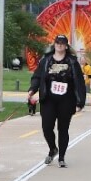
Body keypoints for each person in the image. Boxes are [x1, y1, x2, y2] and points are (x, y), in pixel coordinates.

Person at [27, 34, 86, 167]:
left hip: (66, 100)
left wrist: (80, 102)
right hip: (48, 99)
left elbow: (79, 82)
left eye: (62, 43)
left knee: (63, 129)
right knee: (47, 127)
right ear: (54, 44)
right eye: (57, 42)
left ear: (66, 45)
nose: (59, 45)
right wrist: (32, 90)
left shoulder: (72, 61)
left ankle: (61, 157)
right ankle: (53, 148)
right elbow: (37, 76)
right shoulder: (46, 60)